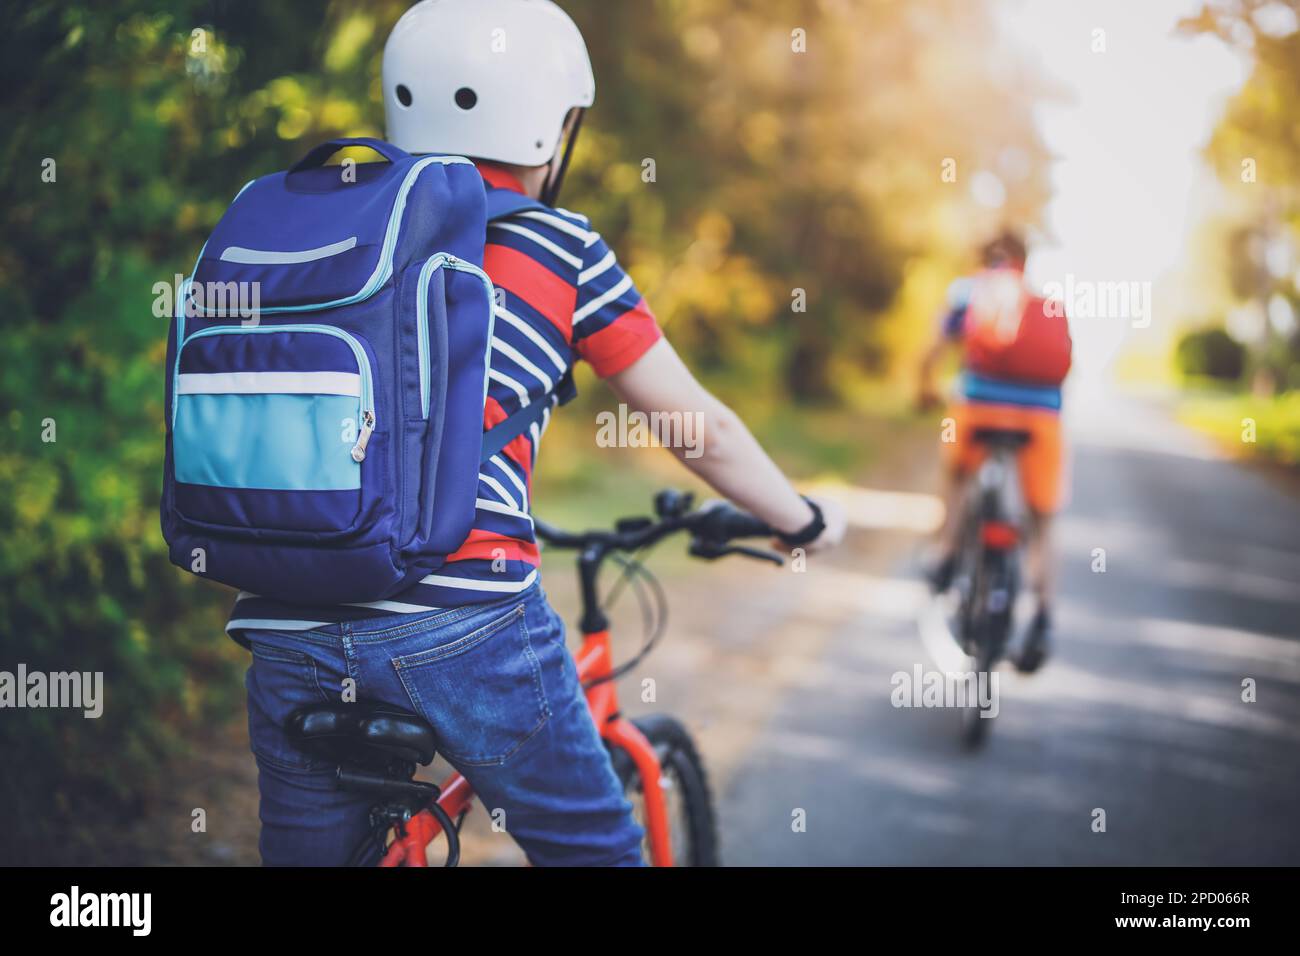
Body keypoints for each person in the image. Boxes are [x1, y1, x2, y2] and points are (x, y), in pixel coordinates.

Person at [231, 0, 845, 867]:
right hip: (462, 619)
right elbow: (690, 424)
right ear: (547, 127)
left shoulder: (321, 227)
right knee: (594, 850)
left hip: (282, 614)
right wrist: (801, 519)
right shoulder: (560, 246)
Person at [918, 230, 1067, 674]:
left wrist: (924, 389)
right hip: (1041, 417)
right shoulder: (1044, 299)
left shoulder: (968, 292)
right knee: (1042, 518)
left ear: (983, 258)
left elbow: (933, 350)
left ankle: (945, 556)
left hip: (978, 406)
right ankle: (1043, 615)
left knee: (956, 476)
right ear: (1024, 260)